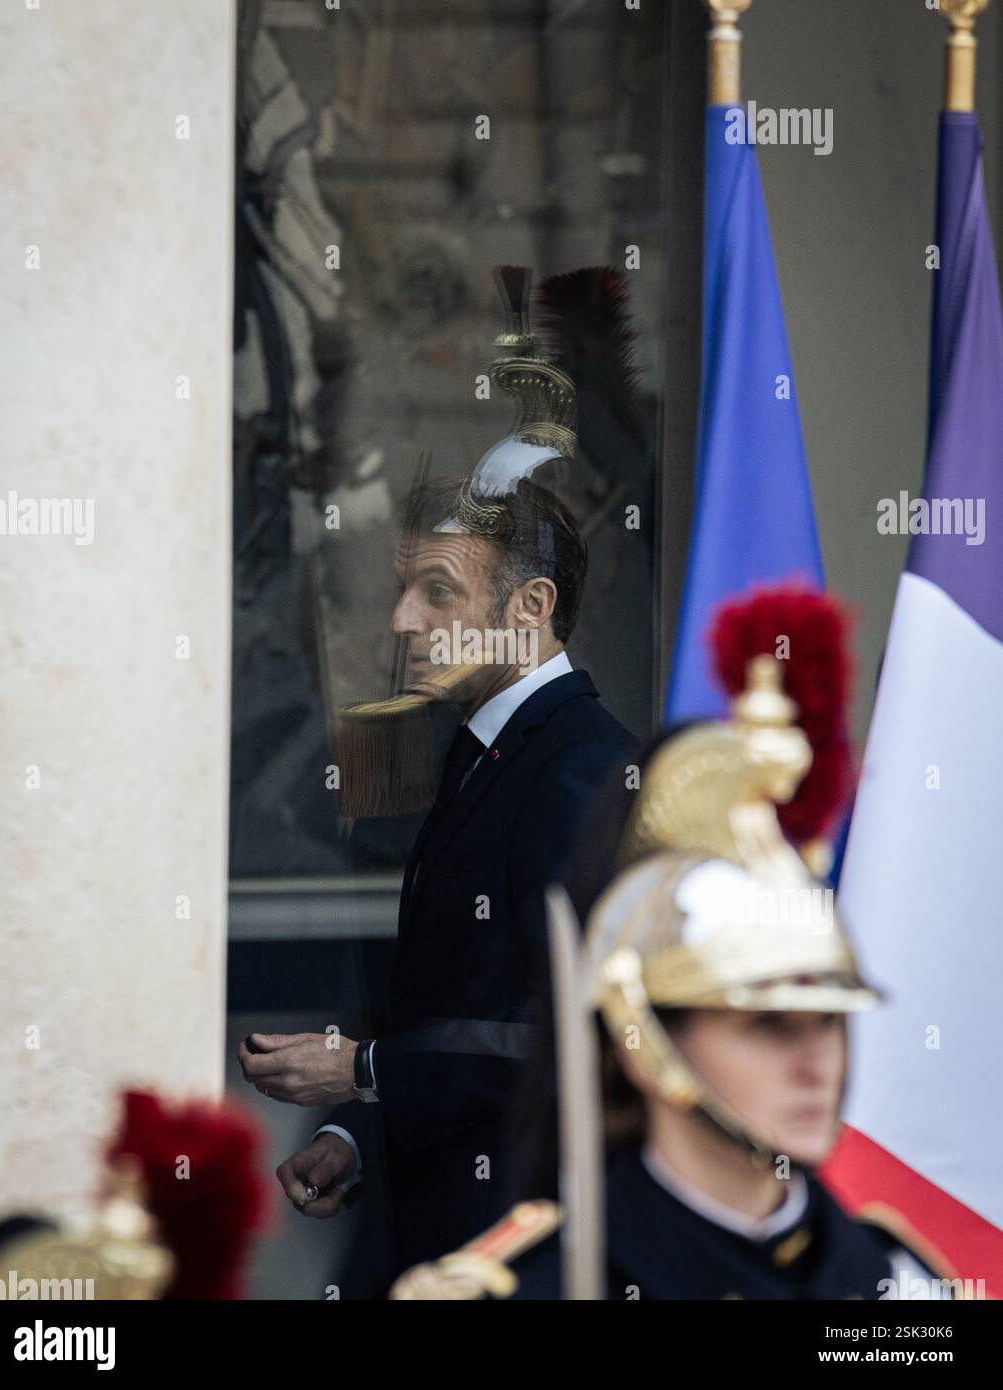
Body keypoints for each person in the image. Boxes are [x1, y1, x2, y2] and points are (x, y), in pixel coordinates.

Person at [238, 267, 636, 1288]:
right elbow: (459, 1008)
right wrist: (362, 1131)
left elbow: (569, 1043)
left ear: (528, 606)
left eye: (435, 591)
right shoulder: (485, 750)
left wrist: (360, 1070)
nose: (402, 623)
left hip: (516, 1255)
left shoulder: (582, 771)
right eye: (403, 590)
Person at [390, 652, 955, 1300]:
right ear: (644, 1039)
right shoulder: (522, 1288)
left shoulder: (905, 1285)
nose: (815, 1064)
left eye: (828, 1021)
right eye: (766, 1025)